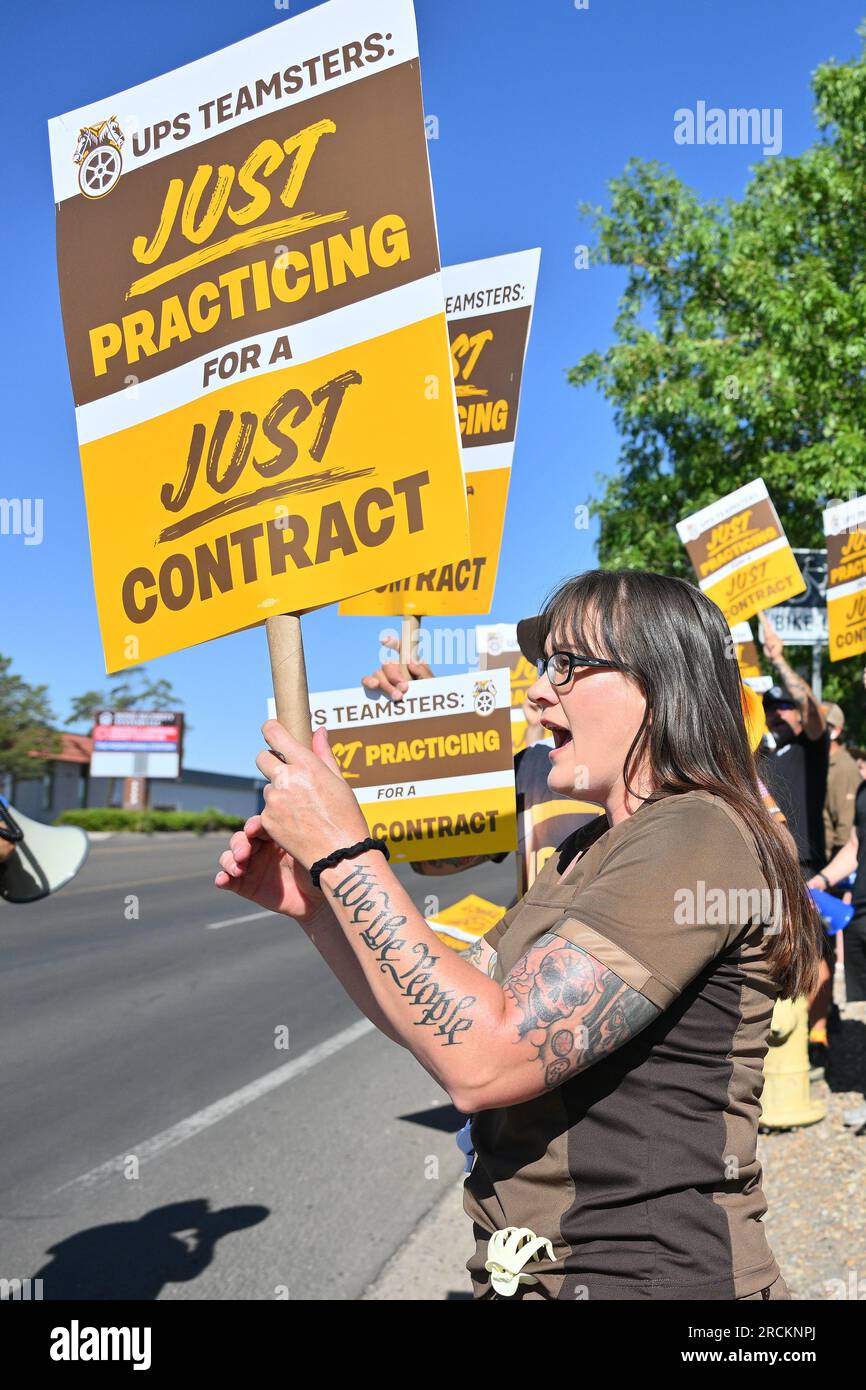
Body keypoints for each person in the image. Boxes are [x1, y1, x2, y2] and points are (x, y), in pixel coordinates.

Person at [216, 568, 818, 1300]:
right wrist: (319, 904)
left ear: (660, 689)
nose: (536, 692)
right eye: (541, 666)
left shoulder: (700, 832)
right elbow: (442, 1019)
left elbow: (485, 1060)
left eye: (568, 665)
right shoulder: (583, 851)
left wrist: (347, 853)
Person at [361, 634, 599, 894]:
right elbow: (429, 859)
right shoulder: (534, 772)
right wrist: (431, 721)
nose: (538, 690)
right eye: (548, 666)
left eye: (569, 664)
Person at [755, 614, 831, 1071]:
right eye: (773, 706)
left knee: (817, 955)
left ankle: (815, 1038)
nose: (780, 711)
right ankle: (778, 1047)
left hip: (808, 866)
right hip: (766, 866)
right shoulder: (756, 755)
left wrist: (780, 661)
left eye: (787, 706)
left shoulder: (811, 747)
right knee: (775, 955)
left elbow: (814, 711)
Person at [822, 702, 861, 862]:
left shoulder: (843, 767)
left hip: (831, 866)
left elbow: (846, 830)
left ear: (835, 731)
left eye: (820, 724)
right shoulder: (820, 762)